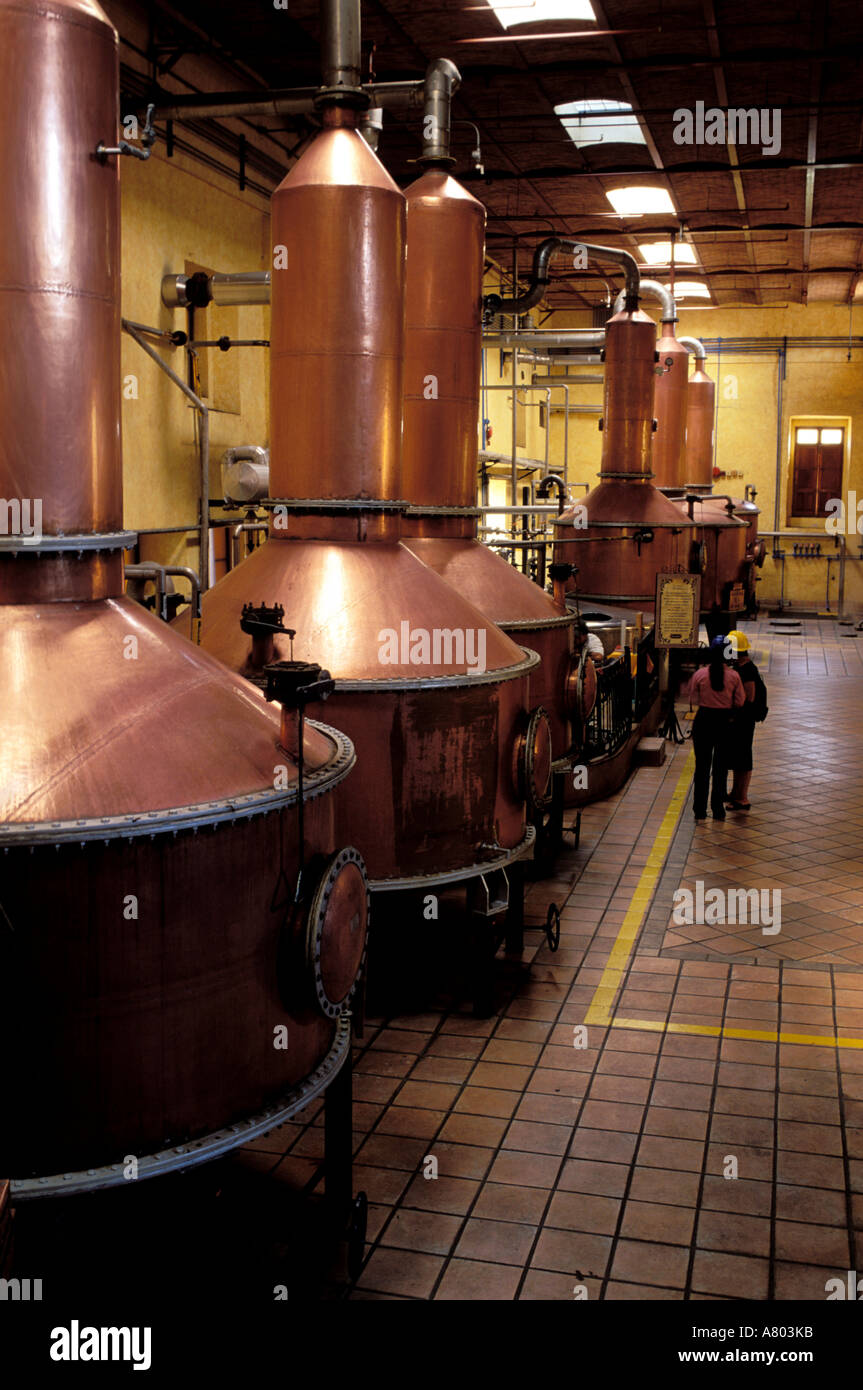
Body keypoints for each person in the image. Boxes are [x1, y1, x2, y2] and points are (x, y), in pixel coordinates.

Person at [689, 634, 745, 821]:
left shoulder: (699, 675)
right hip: (724, 725)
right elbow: (740, 702)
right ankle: (718, 810)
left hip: (703, 722)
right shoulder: (734, 676)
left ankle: (699, 810)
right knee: (720, 769)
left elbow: (693, 699)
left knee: (702, 768)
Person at [726, 629, 759, 810]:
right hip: (739, 720)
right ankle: (735, 792)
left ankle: (742, 798)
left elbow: (749, 698)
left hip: (744, 721)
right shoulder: (740, 667)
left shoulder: (747, 670)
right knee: (738, 758)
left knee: (743, 757)